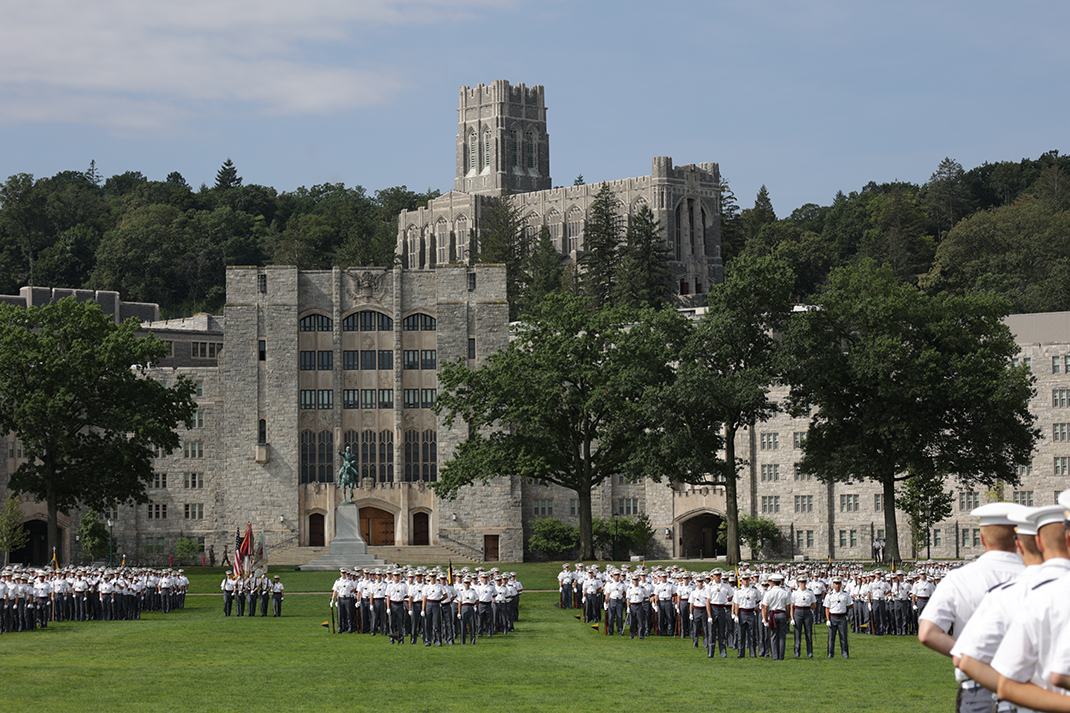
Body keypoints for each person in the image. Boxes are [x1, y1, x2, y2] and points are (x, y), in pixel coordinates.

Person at [918, 502, 1025, 713]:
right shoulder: (1035, 577)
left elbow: (928, 633)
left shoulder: (959, 578)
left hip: (976, 688)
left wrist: (964, 656)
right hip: (1026, 689)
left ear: (982, 538)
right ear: (1018, 538)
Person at [762, 573, 791, 660]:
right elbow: (788, 606)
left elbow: (765, 607)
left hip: (773, 614)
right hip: (782, 613)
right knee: (782, 636)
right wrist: (787, 617)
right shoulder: (785, 592)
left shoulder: (768, 593)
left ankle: (775, 656)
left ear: (773, 582)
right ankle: (781, 655)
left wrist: (765, 618)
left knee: (773, 635)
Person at [824, 576, 853, 658]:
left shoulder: (845, 594)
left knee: (843, 637)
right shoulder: (829, 595)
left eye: (839, 583)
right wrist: (828, 619)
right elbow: (827, 608)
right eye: (836, 583)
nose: (837, 585)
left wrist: (843, 607)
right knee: (831, 638)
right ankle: (830, 654)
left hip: (842, 617)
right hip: (833, 617)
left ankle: (845, 653)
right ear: (833, 584)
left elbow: (851, 604)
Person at [791, 573, 817, 658]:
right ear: (798, 582)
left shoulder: (810, 592)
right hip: (798, 612)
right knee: (797, 633)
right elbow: (792, 605)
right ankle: (797, 652)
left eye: (804, 582)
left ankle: (810, 652)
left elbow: (814, 604)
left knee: (808, 633)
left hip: (807, 612)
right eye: (801, 582)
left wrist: (809, 608)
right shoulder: (795, 593)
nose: (803, 583)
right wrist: (792, 617)